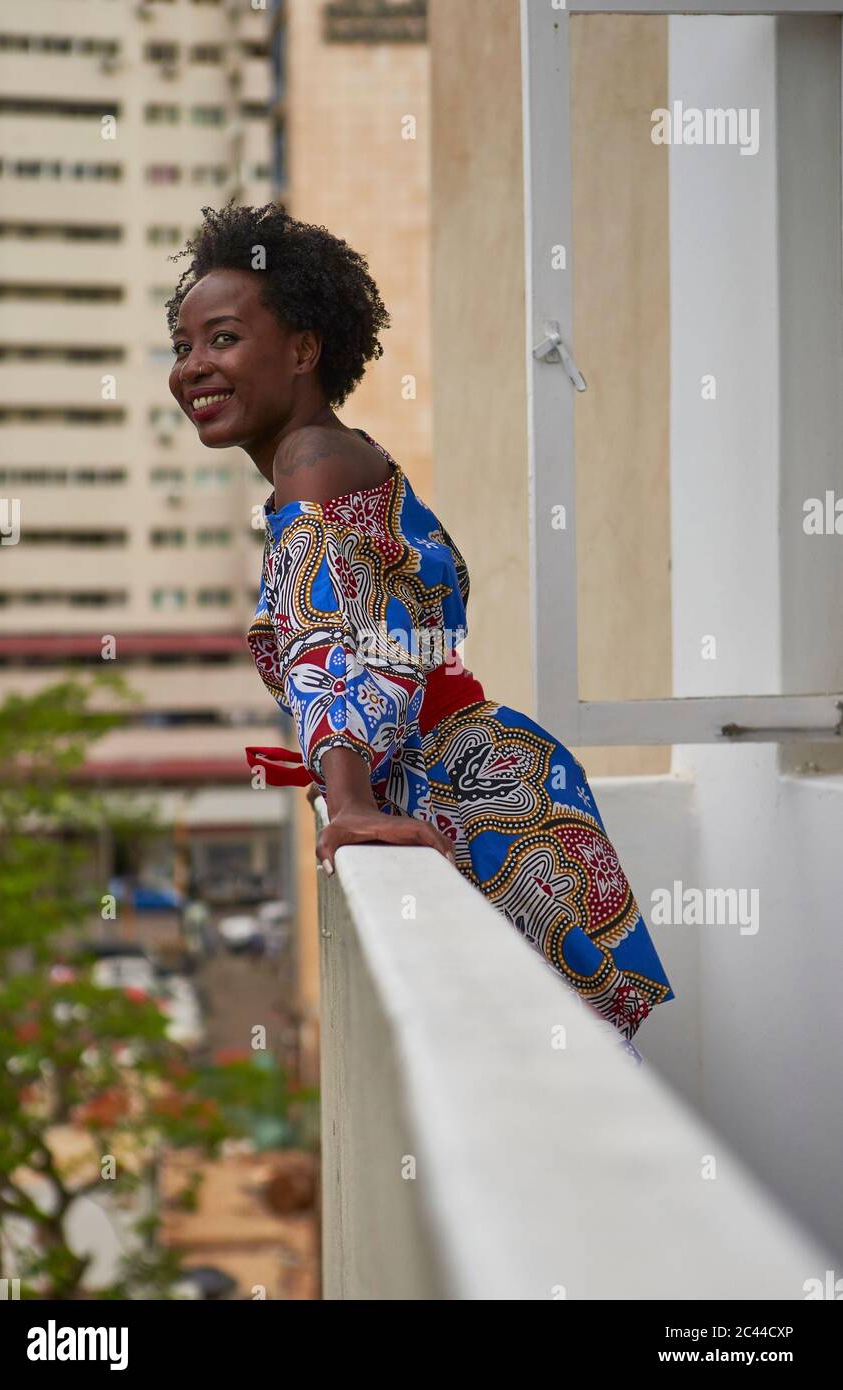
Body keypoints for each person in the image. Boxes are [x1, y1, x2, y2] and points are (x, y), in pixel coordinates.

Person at [166, 202, 674, 1047]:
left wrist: (350, 801)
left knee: (529, 1084)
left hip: (470, 799)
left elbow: (332, 641)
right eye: (183, 347)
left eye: (221, 338)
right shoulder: (339, 454)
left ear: (302, 350)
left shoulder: (311, 465)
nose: (193, 368)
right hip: (491, 776)